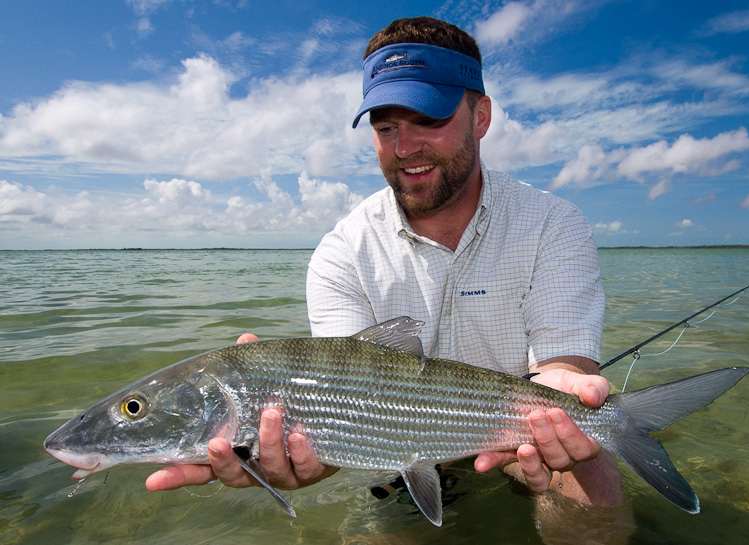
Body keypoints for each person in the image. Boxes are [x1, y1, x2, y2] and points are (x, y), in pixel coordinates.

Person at [146, 16, 622, 511]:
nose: (404, 148)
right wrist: (291, 457)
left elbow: (564, 364)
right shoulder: (341, 253)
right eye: (386, 126)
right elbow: (340, 420)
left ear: (481, 116)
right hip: (393, 457)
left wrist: (567, 390)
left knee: (597, 507)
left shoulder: (554, 223)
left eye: (429, 120)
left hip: (527, 441)